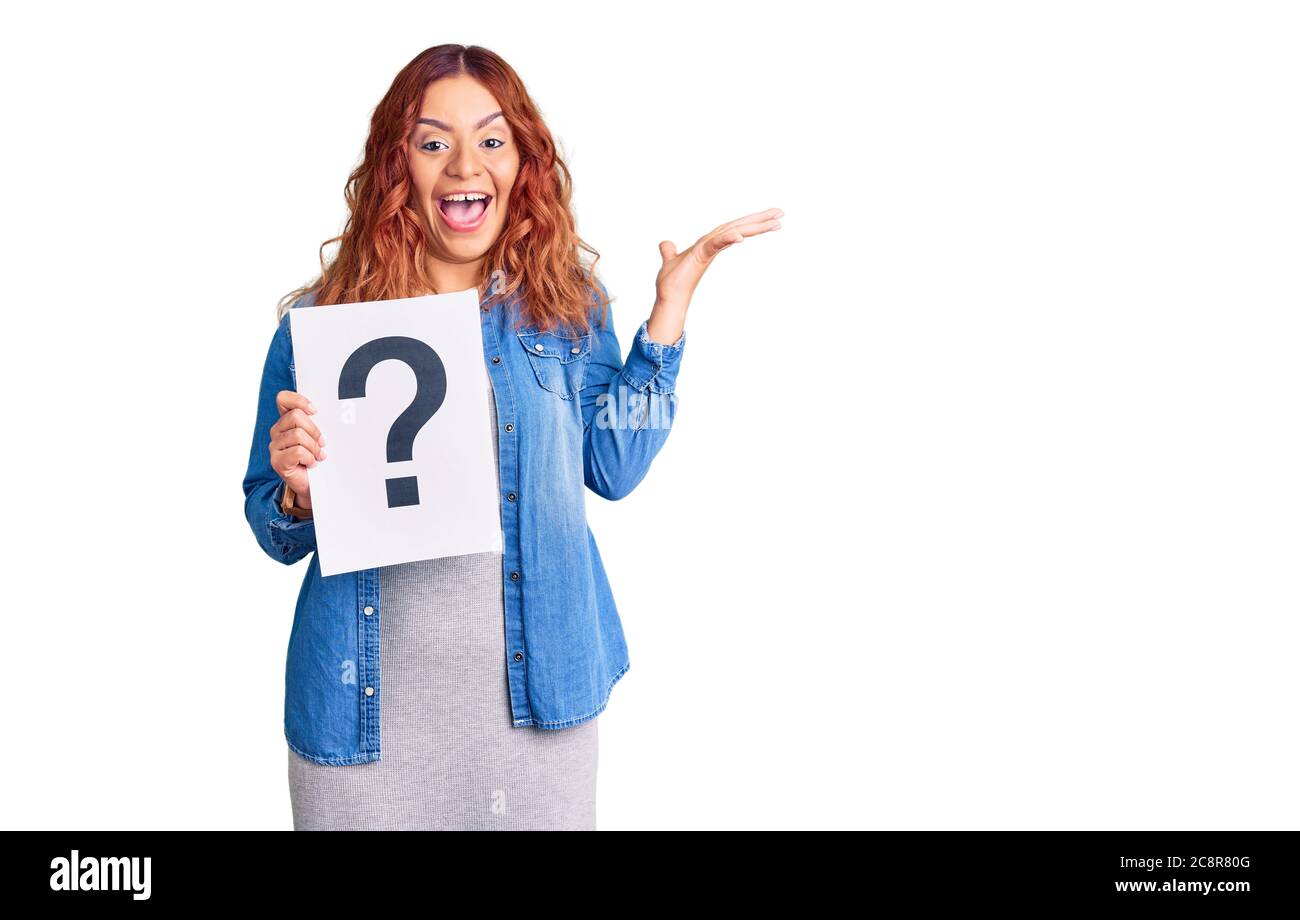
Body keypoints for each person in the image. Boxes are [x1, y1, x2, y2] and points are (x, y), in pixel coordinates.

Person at [241, 43, 782, 830]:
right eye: (433, 142)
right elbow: (274, 529)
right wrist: (294, 489)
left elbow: (615, 464)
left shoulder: (566, 306)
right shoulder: (323, 324)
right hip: (363, 720)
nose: (465, 164)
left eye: (492, 140)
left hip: (538, 712)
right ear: (399, 169)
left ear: (522, 161)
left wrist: (667, 315)